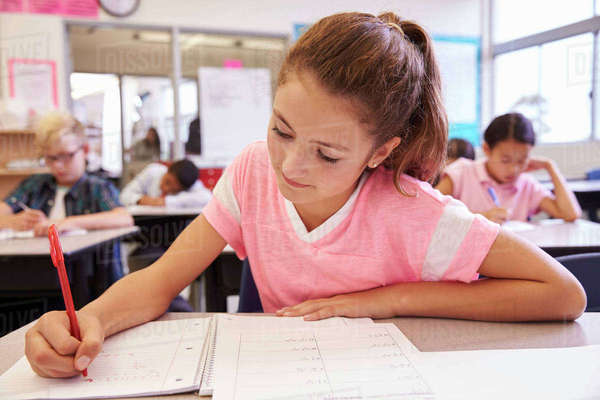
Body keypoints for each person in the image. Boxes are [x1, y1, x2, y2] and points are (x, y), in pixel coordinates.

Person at [25, 12, 585, 378]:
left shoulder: (416, 212)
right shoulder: (250, 172)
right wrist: (89, 320)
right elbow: (159, 282)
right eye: (282, 130)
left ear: (380, 152)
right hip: (282, 379)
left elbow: (563, 295)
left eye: (328, 154)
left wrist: (387, 298)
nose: (290, 167)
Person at [0, 112, 134, 296]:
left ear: (85, 150)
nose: (58, 166)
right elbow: (3, 210)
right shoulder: (36, 184)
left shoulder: (97, 188)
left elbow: (123, 218)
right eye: (50, 158)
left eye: (66, 156)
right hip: (36, 275)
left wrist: (67, 223)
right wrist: (11, 222)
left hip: (88, 285)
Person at [436, 113, 581, 224]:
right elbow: (429, 211)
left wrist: (551, 167)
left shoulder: (526, 184)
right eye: (505, 160)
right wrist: (479, 218)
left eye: (522, 160)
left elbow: (570, 214)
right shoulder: (461, 172)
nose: (514, 169)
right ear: (487, 149)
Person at [120, 159, 211, 208]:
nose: (166, 189)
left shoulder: (190, 182)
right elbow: (124, 196)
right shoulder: (153, 171)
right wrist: (140, 200)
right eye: (168, 182)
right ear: (168, 169)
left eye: (174, 190)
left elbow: (207, 198)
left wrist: (166, 202)